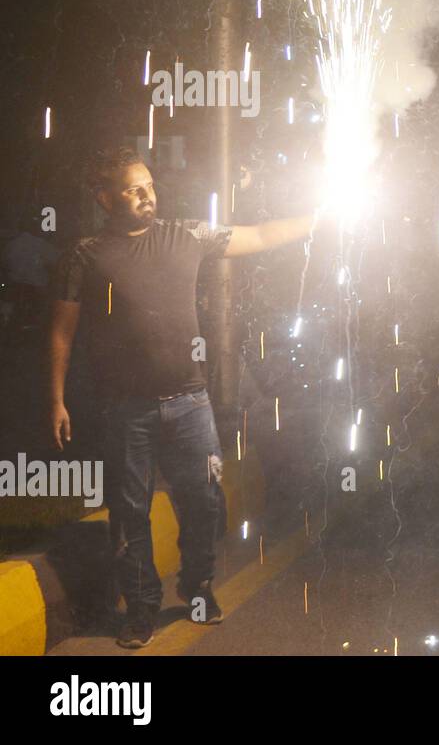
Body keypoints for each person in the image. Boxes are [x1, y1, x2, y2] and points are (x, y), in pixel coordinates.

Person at [48, 147, 325, 649]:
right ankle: (141, 609)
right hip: (126, 410)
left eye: (149, 185)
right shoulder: (85, 255)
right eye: (132, 189)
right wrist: (56, 399)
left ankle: (197, 590)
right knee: (130, 514)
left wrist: (319, 218)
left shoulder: (187, 236)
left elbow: (259, 235)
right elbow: (62, 333)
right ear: (105, 197)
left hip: (191, 404)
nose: (146, 196)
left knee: (205, 503)